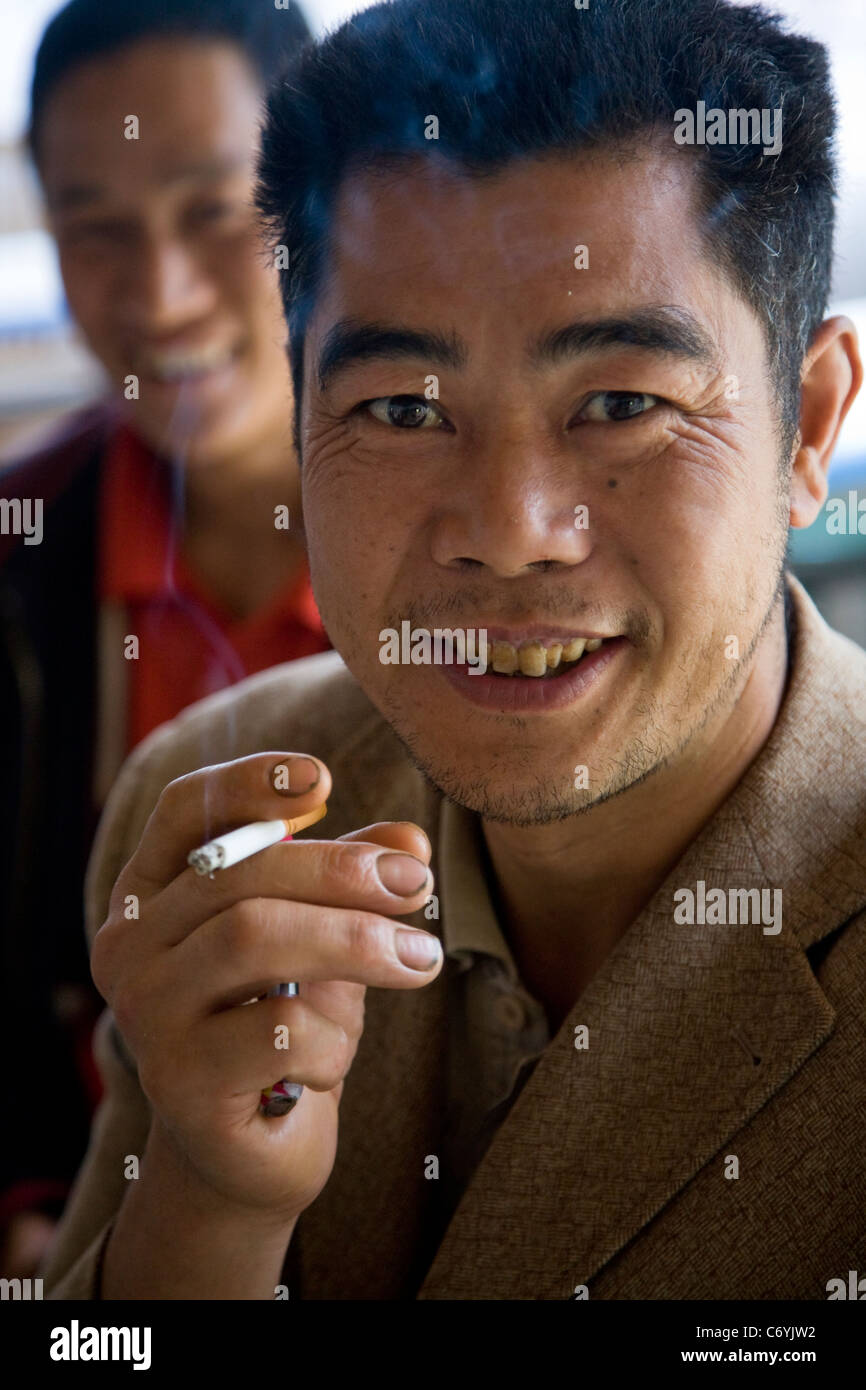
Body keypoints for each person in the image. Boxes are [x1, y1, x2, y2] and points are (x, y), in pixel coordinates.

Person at [42, 0, 866, 1300]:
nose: (507, 532)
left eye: (620, 402)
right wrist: (205, 1206)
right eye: (402, 407)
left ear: (808, 425)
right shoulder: (209, 806)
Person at [0, 0, 327, 1279]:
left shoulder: (483, 554)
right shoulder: (22, 561)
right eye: (95, 229)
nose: (161, 293)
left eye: (215, 211)